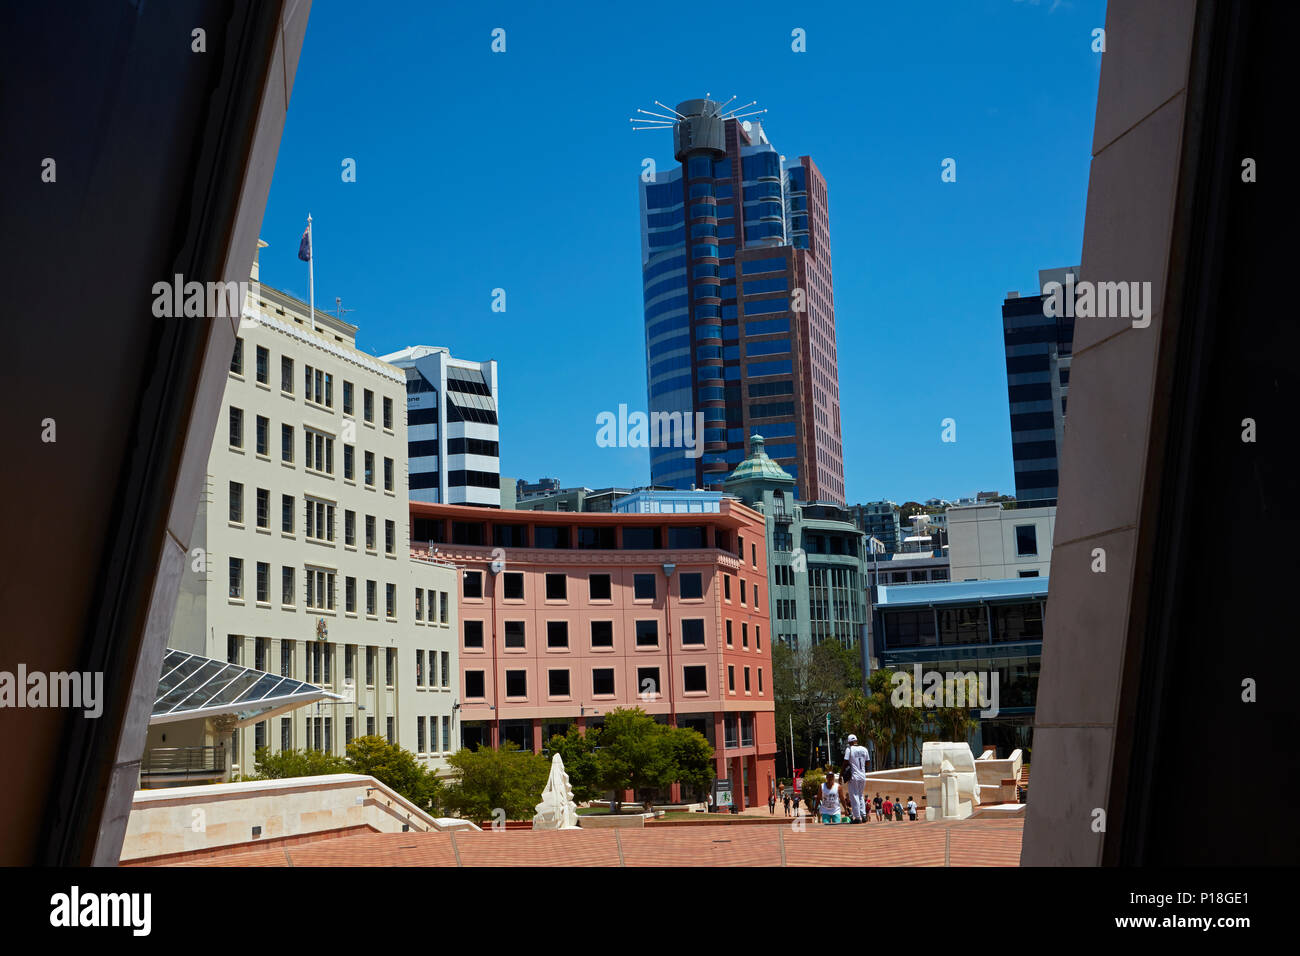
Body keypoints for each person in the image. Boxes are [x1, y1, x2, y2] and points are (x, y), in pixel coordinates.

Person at [841, 733, 871, 824]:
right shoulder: (864, 749)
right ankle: (864, 815)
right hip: (862, 776)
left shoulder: (849, 749)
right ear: (856, 741)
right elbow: (868, 762)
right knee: (861, 795)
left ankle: (857, 817)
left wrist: (841, 774)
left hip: (854, 776)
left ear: (849, 742)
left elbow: (845, 762)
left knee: (854, 796)